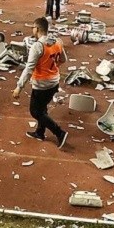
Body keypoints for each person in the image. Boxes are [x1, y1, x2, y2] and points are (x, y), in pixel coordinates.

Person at [12, 17, 69, 148]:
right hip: (54, 82)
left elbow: (29, 69)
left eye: (33, 27)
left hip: (42, 85)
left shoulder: (38, 46)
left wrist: (19, 87)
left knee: (35, 112)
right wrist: (52, 67)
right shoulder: (57, 41)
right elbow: (63, 59)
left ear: (37, 29)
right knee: (42, 108)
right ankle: (40, 132)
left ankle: (59, 132)